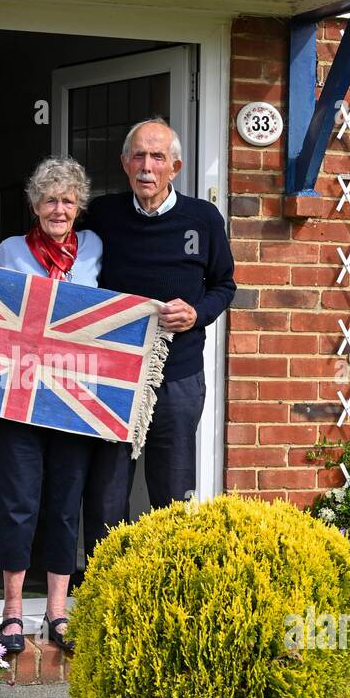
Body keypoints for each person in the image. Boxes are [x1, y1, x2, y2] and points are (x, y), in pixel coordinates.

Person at [82, 118, 236, 555]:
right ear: (124, 163)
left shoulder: (203, 218)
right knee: (107, 489)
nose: (147, 166)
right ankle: (103, 580)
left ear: (176, 167)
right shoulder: (103, 216)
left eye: (157, 157)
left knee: (172, 487)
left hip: (179, 375)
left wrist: (198, 313)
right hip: (112, 375)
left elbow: (224, 284)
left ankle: (166, 582)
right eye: (138, 156)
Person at [0, 156, 102, 655]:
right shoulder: (11, 249)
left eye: (67, 199)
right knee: (19, 502)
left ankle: (58, 611)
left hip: (75, 398)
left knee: (64, 506)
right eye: (50, 199)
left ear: (78, 206)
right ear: (35, 205)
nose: (59, 209)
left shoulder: (96, 248)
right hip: (21, 393)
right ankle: (13, 610)